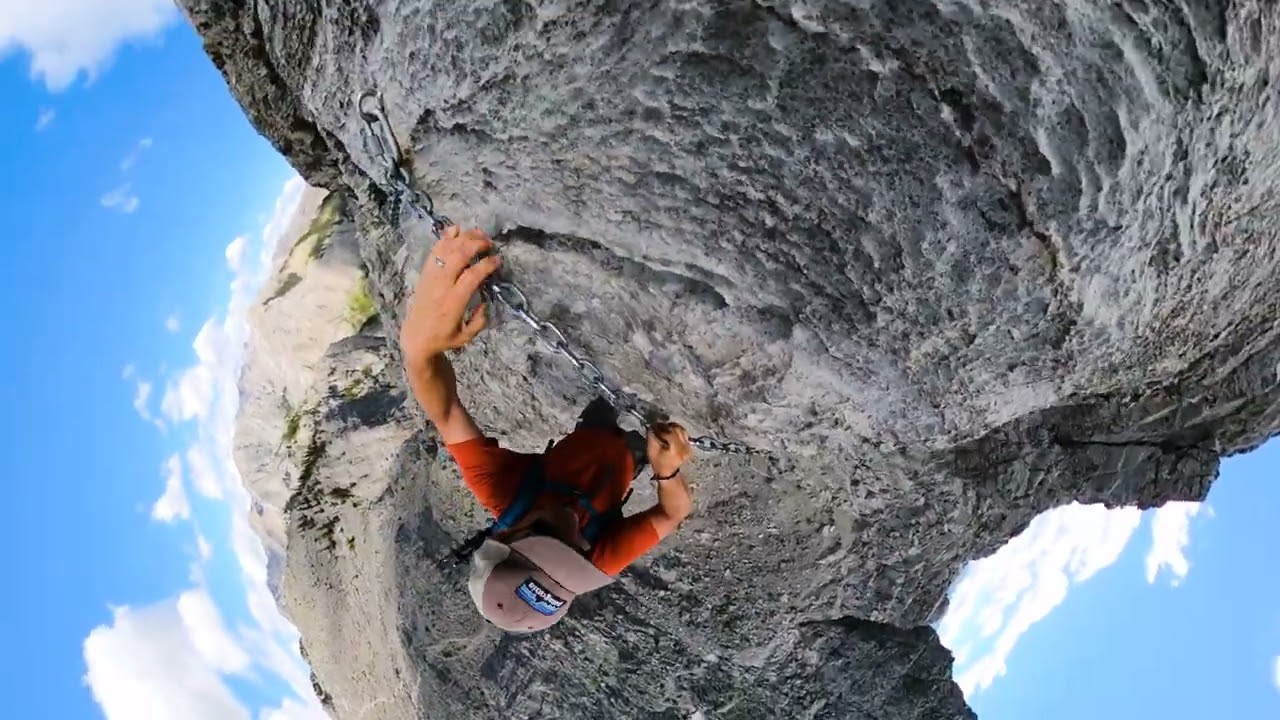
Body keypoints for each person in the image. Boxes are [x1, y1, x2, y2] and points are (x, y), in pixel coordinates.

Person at [398, 225, 696, 633]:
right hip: (627, 463)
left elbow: (446, 412)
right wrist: (670, 472)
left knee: (601, 414)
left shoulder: (504, 491)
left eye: (546, 535)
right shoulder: (593, 562)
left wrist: (417, 350)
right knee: (642, 433)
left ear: (509, 531)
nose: (571, 532)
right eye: (570, 552)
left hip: (588, 437)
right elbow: (673, 512)